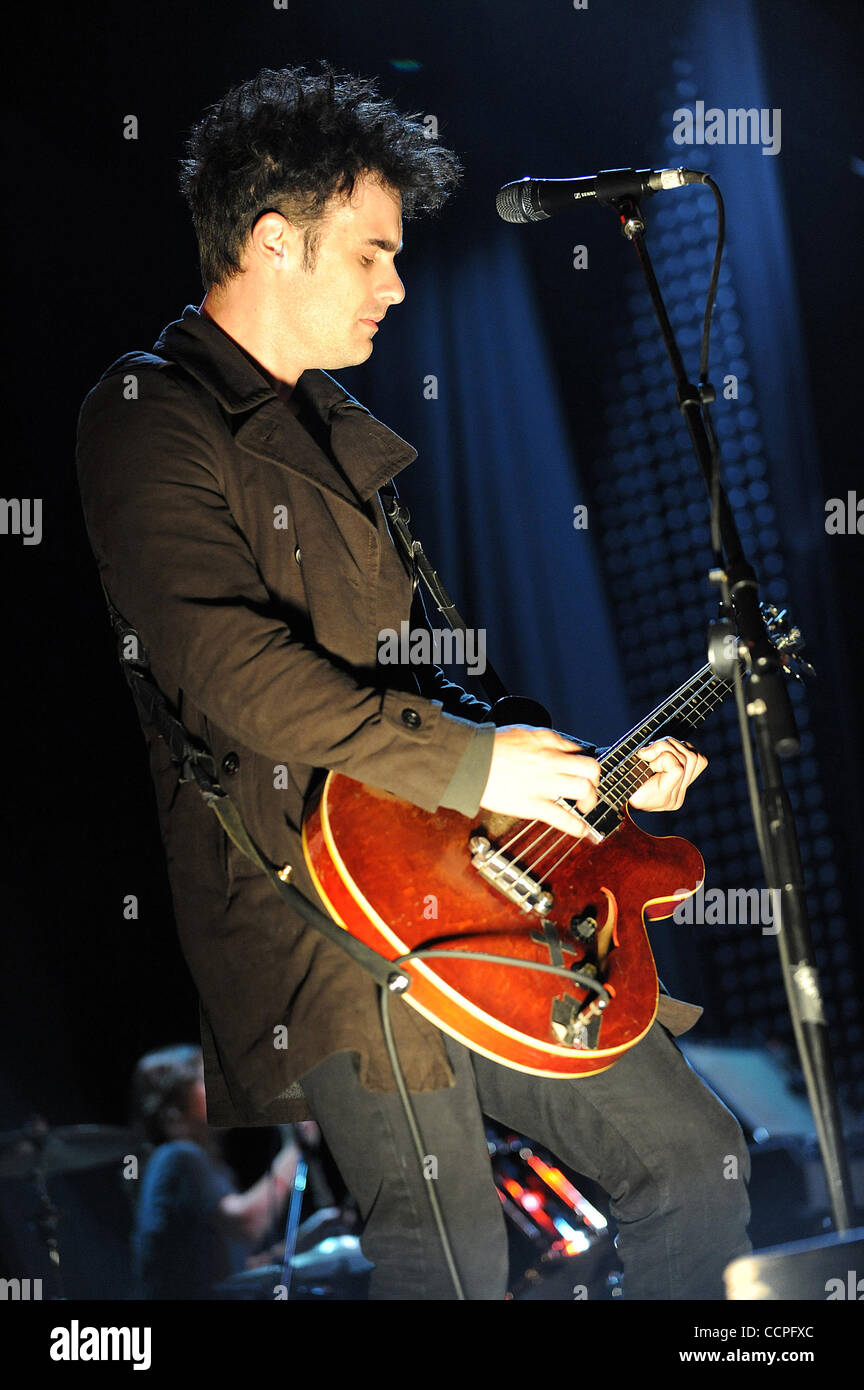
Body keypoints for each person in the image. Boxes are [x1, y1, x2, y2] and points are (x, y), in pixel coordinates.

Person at [76, 64, 751, 1300]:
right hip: (320, 908)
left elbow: (451, 687)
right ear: (275, 242)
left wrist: (578, 780)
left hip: (470, 878)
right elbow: (232, 670)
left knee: (699, 1158)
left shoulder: (343, 435)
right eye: (372, 254)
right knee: (446, 1259)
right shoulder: (146, 414)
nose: (397, 283)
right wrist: (480, 763)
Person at [129, 1045, 304, 1299]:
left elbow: (231, 1271)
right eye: (203, 1080)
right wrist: (295, 1148)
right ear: (175, 1104)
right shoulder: (178, 1157)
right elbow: (248, 1223)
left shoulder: (206, 1168)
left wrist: (310, 1240)